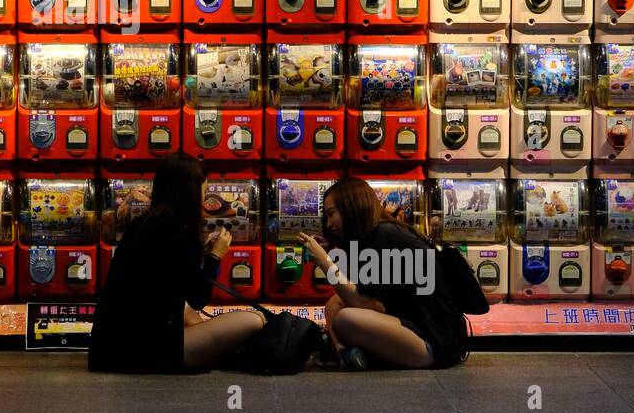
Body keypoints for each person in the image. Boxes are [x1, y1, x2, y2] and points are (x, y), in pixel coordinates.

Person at [88, 153, 264, 373]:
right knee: (254, 320)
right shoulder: (180, 231)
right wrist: (215, 257)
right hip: (146, 353)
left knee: (189, 314)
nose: (204, 199)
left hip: (107, 351)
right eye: (203, 191)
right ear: (191, 192)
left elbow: (175, 289)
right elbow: (199, 297)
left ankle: (211, 352)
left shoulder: (143, 224)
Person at [299, 177, 467, 371]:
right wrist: (332, 254)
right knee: (334, 304)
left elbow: (363, 303)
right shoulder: (377, 235)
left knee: (346, 319)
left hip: (434, 343)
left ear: (351, 208)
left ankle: (355, 356)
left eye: (331, 214)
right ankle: (345, 353)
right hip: (409, 326)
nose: (328, 224)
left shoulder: (385, 236)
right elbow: (369, 296)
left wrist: (324, 262)